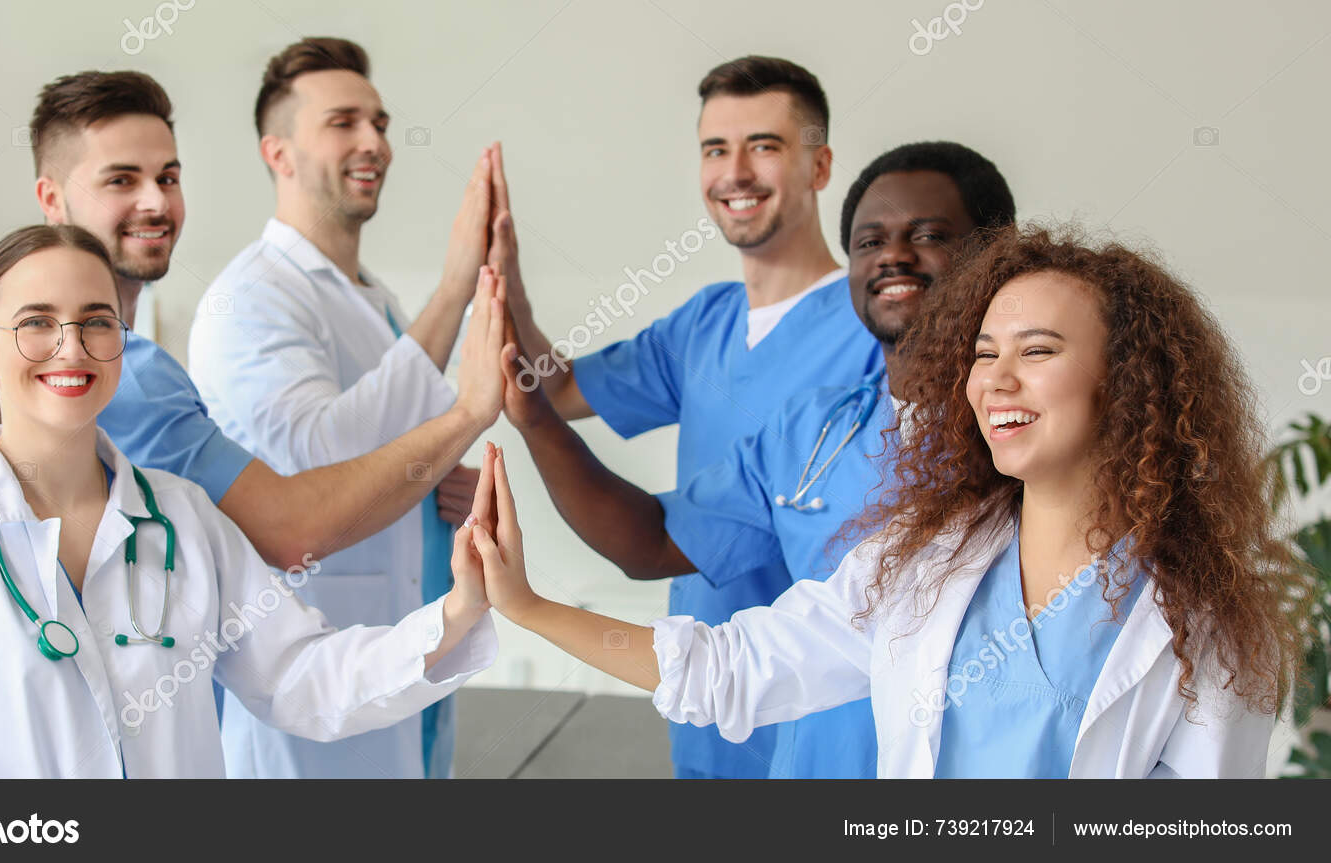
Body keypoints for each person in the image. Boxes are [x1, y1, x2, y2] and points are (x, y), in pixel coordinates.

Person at [464, 224, 1307, 777]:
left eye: (1038, 350)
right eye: (983, 352)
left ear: (1127, 383)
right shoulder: (924, 562)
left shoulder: (1211, 624)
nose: (997, 379)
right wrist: (528, 607)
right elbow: (731, 669)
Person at [0, 225, 506, 777]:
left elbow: (298, 675)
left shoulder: (181, 515)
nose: (72, 347)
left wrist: (455, 612)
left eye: (98, 321)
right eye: (37, 322)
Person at [500, 142, 1016, 777]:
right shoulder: (814, 430)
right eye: (869, 242)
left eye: (929, 234)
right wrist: (535, 424)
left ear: (999, 254)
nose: (893, 256)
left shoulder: (1025, 437)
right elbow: (654, 542)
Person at [497, 56, 883, 778]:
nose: (735, 172)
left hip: (823, 714)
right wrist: (508, 286)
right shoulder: (705, 322)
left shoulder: (875, 331)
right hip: (702, 701)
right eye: (715, 149)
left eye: (764, 146)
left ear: (820, 164)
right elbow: (559, 391)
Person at [0, 70, 501, 579]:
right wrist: (469, 413)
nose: (155, 202)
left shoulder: (45, 362)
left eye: (168, 178)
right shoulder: (124, 375)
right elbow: (293, 527)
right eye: (120, 180)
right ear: (51, 199)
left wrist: (425, 477)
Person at [188, 38, 492, 779]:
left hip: (405, 659)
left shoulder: (375, 299)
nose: (374, 142)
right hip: (308, 690)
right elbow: (314, 466)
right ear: (279, 152)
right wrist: (454, 291)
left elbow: (385, 450)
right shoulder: (251, 296)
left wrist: (439, 477)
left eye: (380, 123)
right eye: (343, 122)